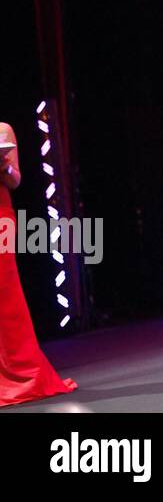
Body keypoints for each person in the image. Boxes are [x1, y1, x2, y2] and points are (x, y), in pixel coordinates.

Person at [0, 122, 77, 407]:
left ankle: (23, 373)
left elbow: (16, 180)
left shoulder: (3, 130)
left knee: (6, 298)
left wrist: (3, 165)